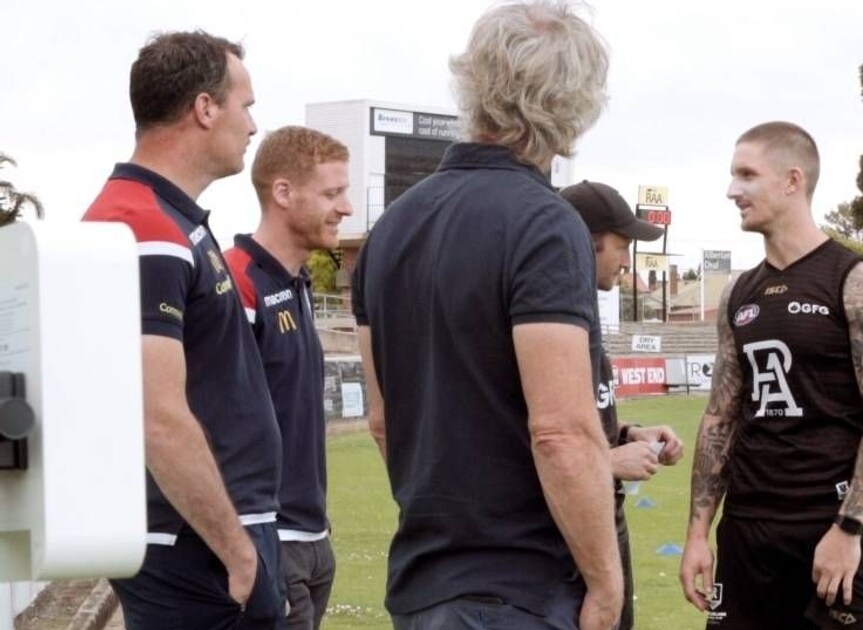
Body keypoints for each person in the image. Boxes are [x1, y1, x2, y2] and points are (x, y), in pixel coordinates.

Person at [351, 2, 622, 629]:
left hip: (425, 583)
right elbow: (560, 432)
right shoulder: (546, 225)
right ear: (573, 104)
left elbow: (383, 420)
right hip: (519, 589)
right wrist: (607, 585)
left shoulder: (391, 228)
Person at [81, 31, 286, 628]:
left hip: (214, 537)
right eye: (246, 106)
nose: (253, 126)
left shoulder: (169, 219)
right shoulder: (140, 225)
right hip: (195, 546)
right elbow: (158, 416)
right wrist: (238, 550)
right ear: (204, 108)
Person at [679, 121, 863, 630]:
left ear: (792, 180)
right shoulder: (738, 296)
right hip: (747, 536)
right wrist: (699, 532)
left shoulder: (856, 282)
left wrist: (849, 528)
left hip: (828, 529)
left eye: (747, 175)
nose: (732, 190)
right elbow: (721, 417)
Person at [225, 126, 352, 630]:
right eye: (331, 193)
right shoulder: (236, 281)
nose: (344, 208)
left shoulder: (295, 282)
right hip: (269, 542)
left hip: (312, 537)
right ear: (283, 193)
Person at [561, 180, 687, 630]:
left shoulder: (582, 310)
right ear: (588, 241)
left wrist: (628, 434)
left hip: (604, 522)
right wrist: (611, 461)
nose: (627, 259)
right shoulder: (545, 318)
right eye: (622, 244)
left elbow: (581, 415)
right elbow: (538, 437)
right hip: (567, 541)